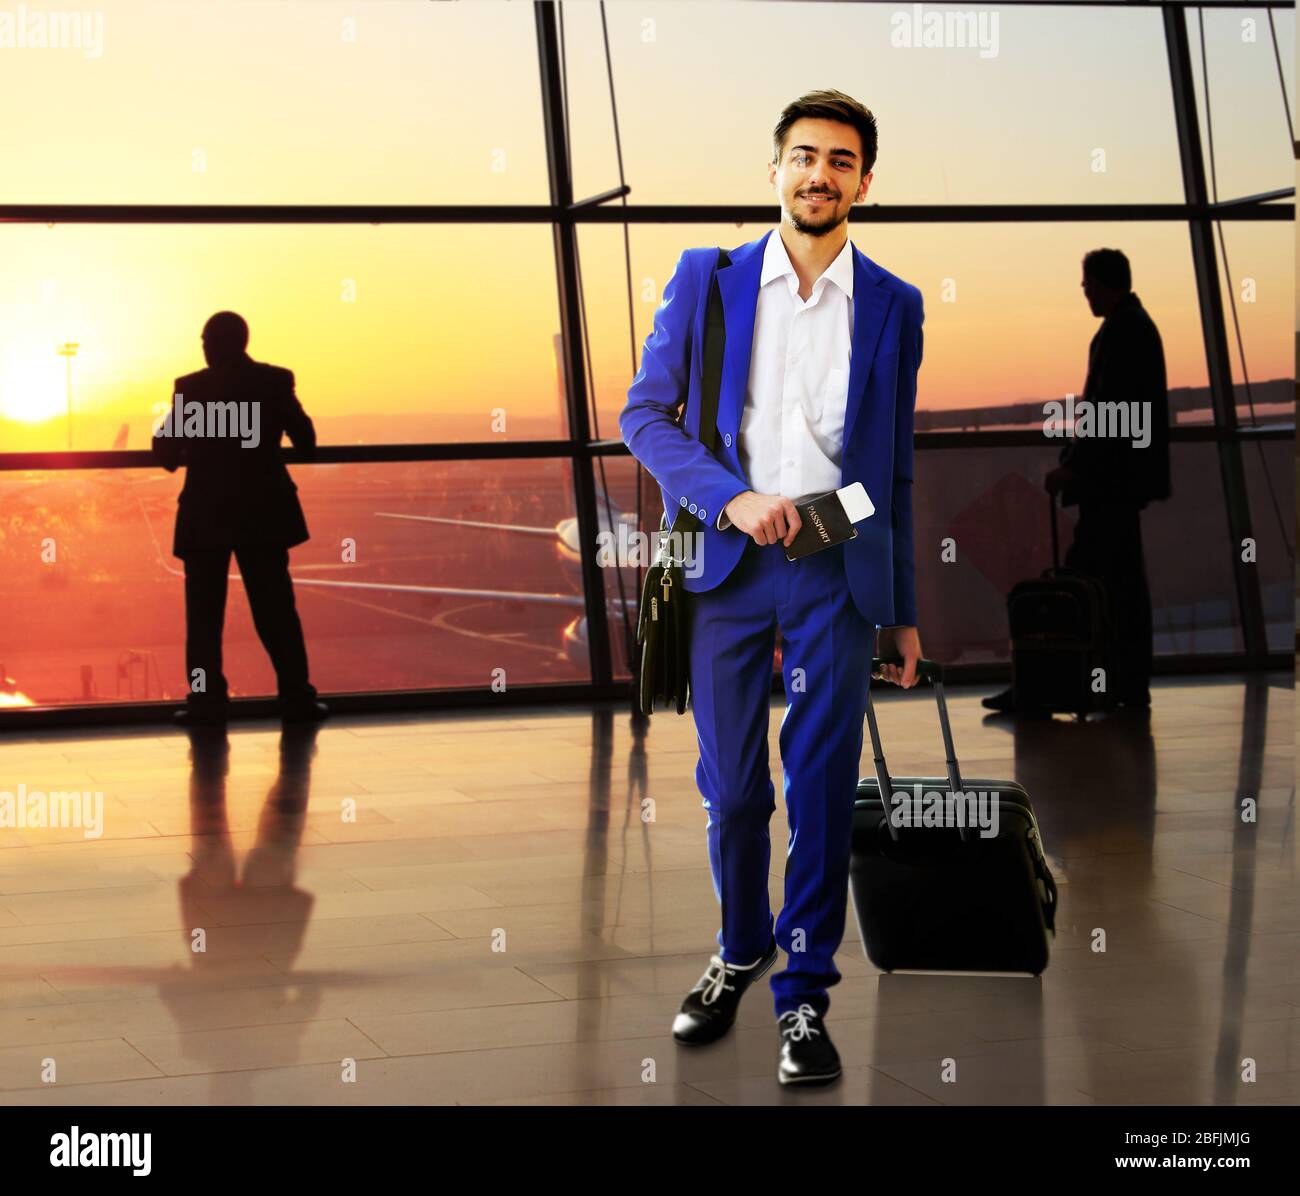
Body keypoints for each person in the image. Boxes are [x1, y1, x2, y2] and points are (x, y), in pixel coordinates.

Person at [620, 90, 925, 1087]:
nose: (818, 174)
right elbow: (644, 416)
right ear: (773, 172)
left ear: (864, 184)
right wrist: (731, 499)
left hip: (837, 565)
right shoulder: (706, 282)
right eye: (802, 156)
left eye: (840, 161)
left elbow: (896, 464)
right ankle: (738, 944)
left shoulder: (894, 304)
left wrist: (903, 605)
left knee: (823, 781)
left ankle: (804, 991)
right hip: (728, 567)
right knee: (735, 787)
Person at [984, 249, 1170, 715]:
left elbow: (1108, 412)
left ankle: (1052, 685)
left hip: (1109, 485)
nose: (1083, 291)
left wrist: (1076, 466)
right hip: (1120, 484)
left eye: (1087, 282)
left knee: (1092, 576)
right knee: (1116, 582)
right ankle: (1115, 681)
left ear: (1103, 283)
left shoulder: (1120, 333)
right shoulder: (1134, 328)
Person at [152, 311, 327, 726]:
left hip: (206, 516)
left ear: (212, 344)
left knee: (204, 619)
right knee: (276, 611)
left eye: (204, 341)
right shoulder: (275, 381)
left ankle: (206, 701)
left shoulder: (192, 389)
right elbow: (307, 443)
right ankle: (296, 695)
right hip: (262, 514)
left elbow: (166, 455)